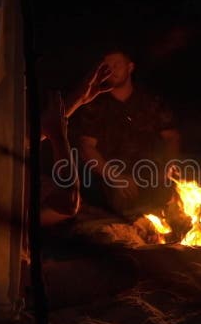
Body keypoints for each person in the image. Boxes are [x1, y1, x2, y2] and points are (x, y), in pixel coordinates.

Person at [73, 48, 181, 216]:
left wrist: (167, 167)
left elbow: (171, 137)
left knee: (177, 198)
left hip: (151, 173)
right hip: (112, 176)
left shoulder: (150, 101)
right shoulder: (95, 104)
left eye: (117, 65)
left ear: (130, 68)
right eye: (107, 66)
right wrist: (115, 177)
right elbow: (86, 147)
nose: (112, 70)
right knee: (121, 201)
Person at [39, 61, 113, 226]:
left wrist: (79, 99)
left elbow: (29, 135)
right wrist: (59, 137)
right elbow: (69, 202)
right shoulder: (6, 172)